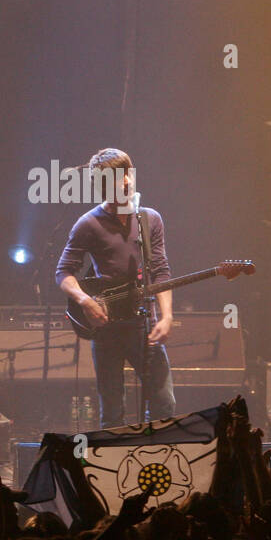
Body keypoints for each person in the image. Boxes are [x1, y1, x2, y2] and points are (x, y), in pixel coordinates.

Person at [56, 148, 174, 427]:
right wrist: (85, 301)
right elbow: (64, 272)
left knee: (163, 402)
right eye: (114, 181)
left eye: (126, 177)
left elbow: (161, 271)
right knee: (112, 410)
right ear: (101, 186)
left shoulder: (150, 219)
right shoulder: (88, 223)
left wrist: (167, 316)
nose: (124, 185)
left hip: (143, 324)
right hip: (106, 325)